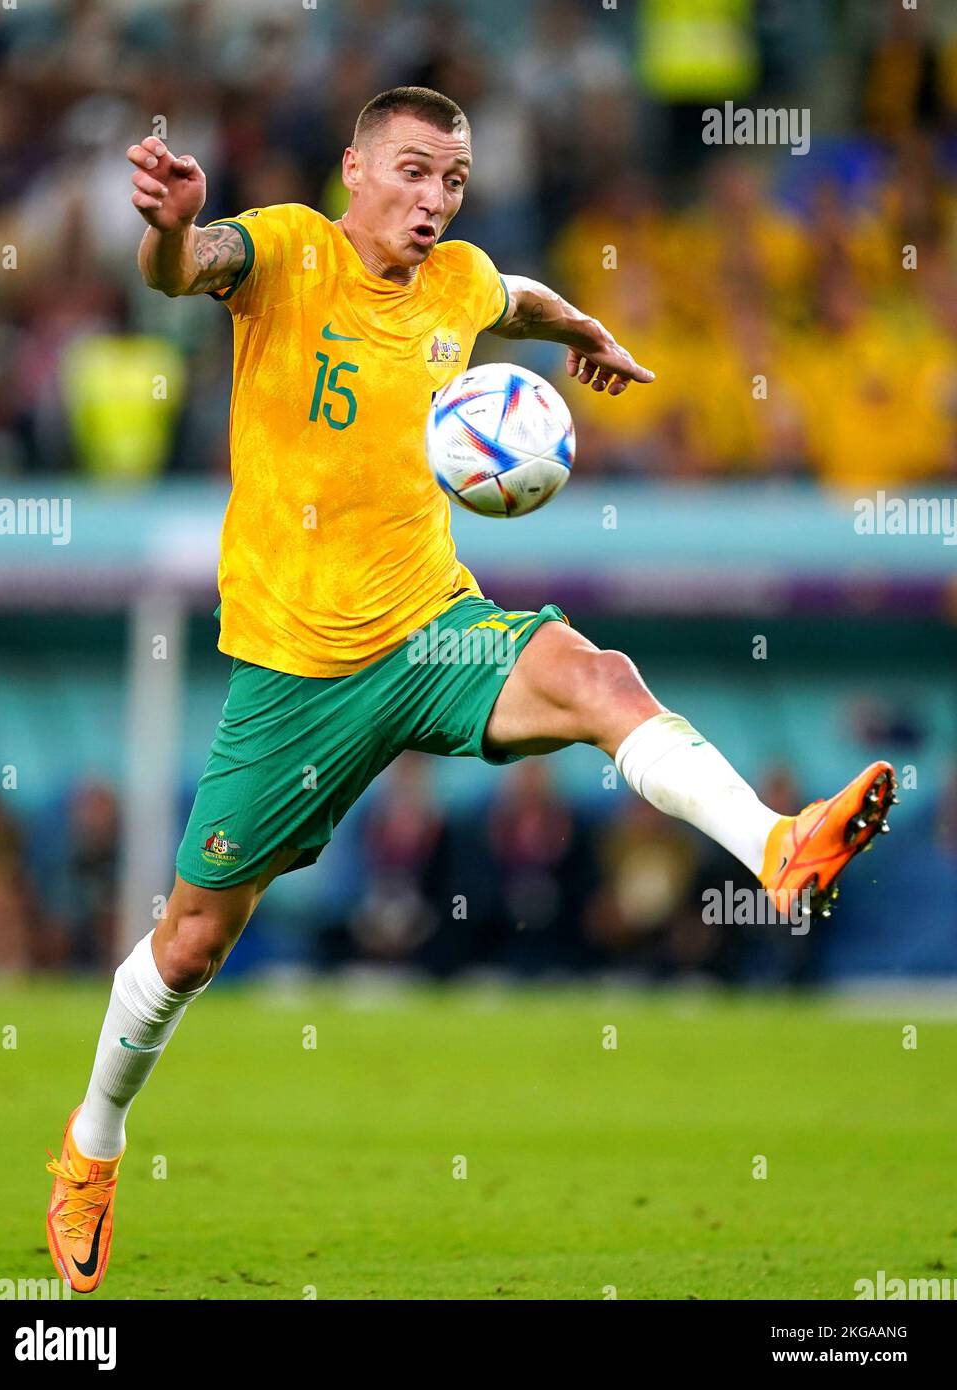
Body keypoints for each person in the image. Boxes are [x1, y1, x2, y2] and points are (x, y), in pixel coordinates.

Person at [45, 86, 895, 1293]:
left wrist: (579, 332)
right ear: (353, 168)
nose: (433, 200)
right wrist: (175, 225)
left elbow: (518, 297)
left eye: (451, 177)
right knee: (187, 945)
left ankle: (776, 845)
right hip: (295, 671)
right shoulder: (287, 249)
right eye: (410, 172)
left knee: (600, 676)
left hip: (433, 629)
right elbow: (184, 269)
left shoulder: (459, 281)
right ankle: (92, 1144)